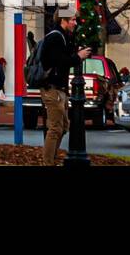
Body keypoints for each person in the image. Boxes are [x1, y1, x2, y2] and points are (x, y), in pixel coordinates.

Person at [39, 13, 91, 166]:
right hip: (51, 88)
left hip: (59, 89)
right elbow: (60, 61)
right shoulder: (55, 37)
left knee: (63, 127)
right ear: (63, 20)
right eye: (73, 20)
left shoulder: (63, 37)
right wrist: (78, 56)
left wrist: (77, 52)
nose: (75, 23)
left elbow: (66, 56)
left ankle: (51, 159)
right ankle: (48, 162)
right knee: (55, 128)